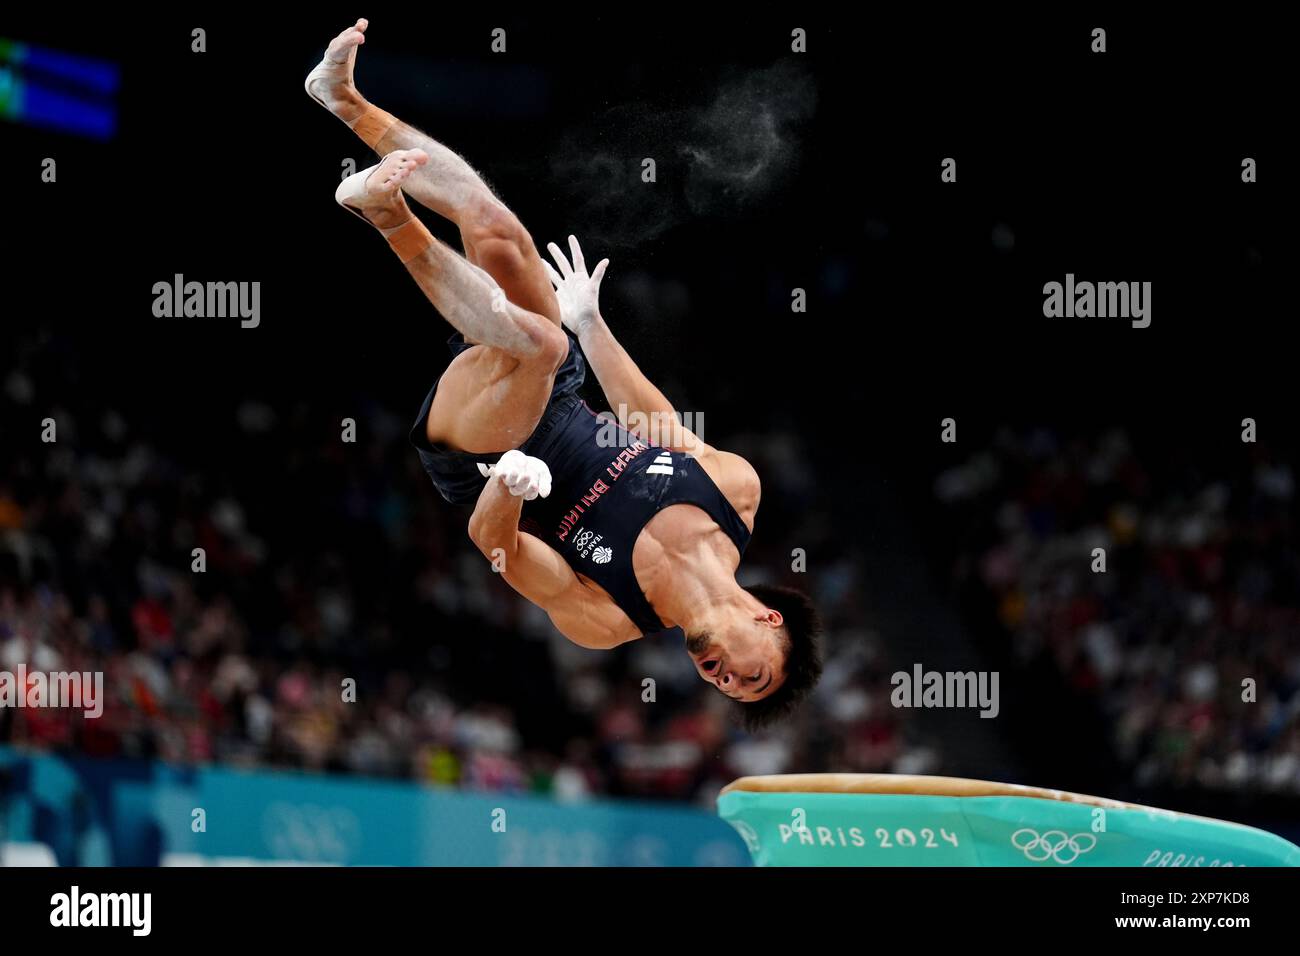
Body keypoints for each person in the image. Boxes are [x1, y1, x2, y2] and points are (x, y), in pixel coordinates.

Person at [307, 19, 821, 727]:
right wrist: (592, 325)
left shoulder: (609, 619)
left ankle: (388, 214)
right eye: (753, 677)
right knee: (497, 230)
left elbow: (496, 549)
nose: (728, 681)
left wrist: (511, 489)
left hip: (482, 451)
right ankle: (342, 99)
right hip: (558, 385)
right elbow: (652, 422)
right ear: (768, 620)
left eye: (732, 692)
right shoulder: (735, 494)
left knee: (539, 348)